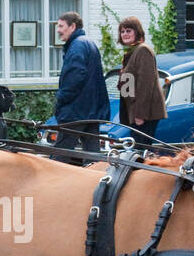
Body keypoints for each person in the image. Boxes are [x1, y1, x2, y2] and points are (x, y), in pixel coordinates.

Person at [53, 11, 108, 162]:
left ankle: (52, 184)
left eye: (61, 26)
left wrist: (60, 100)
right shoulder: (88, 43)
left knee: (60, 154)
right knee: (92, 154)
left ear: (72, 26)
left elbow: (74, 78)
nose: (58, 30)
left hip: (76, 112)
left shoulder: (76, 46)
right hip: (91, 111)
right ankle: (96, 181)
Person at [116, 16, 166, 149]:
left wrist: (140, 114)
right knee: (137, 150)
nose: (125, 34)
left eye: (128, 31)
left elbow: (145, 85)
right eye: (122, 31)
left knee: (140, 150)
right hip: (134, 111)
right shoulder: (132, 52)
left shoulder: (143, 50)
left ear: (137, 32)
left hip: (145, 114)